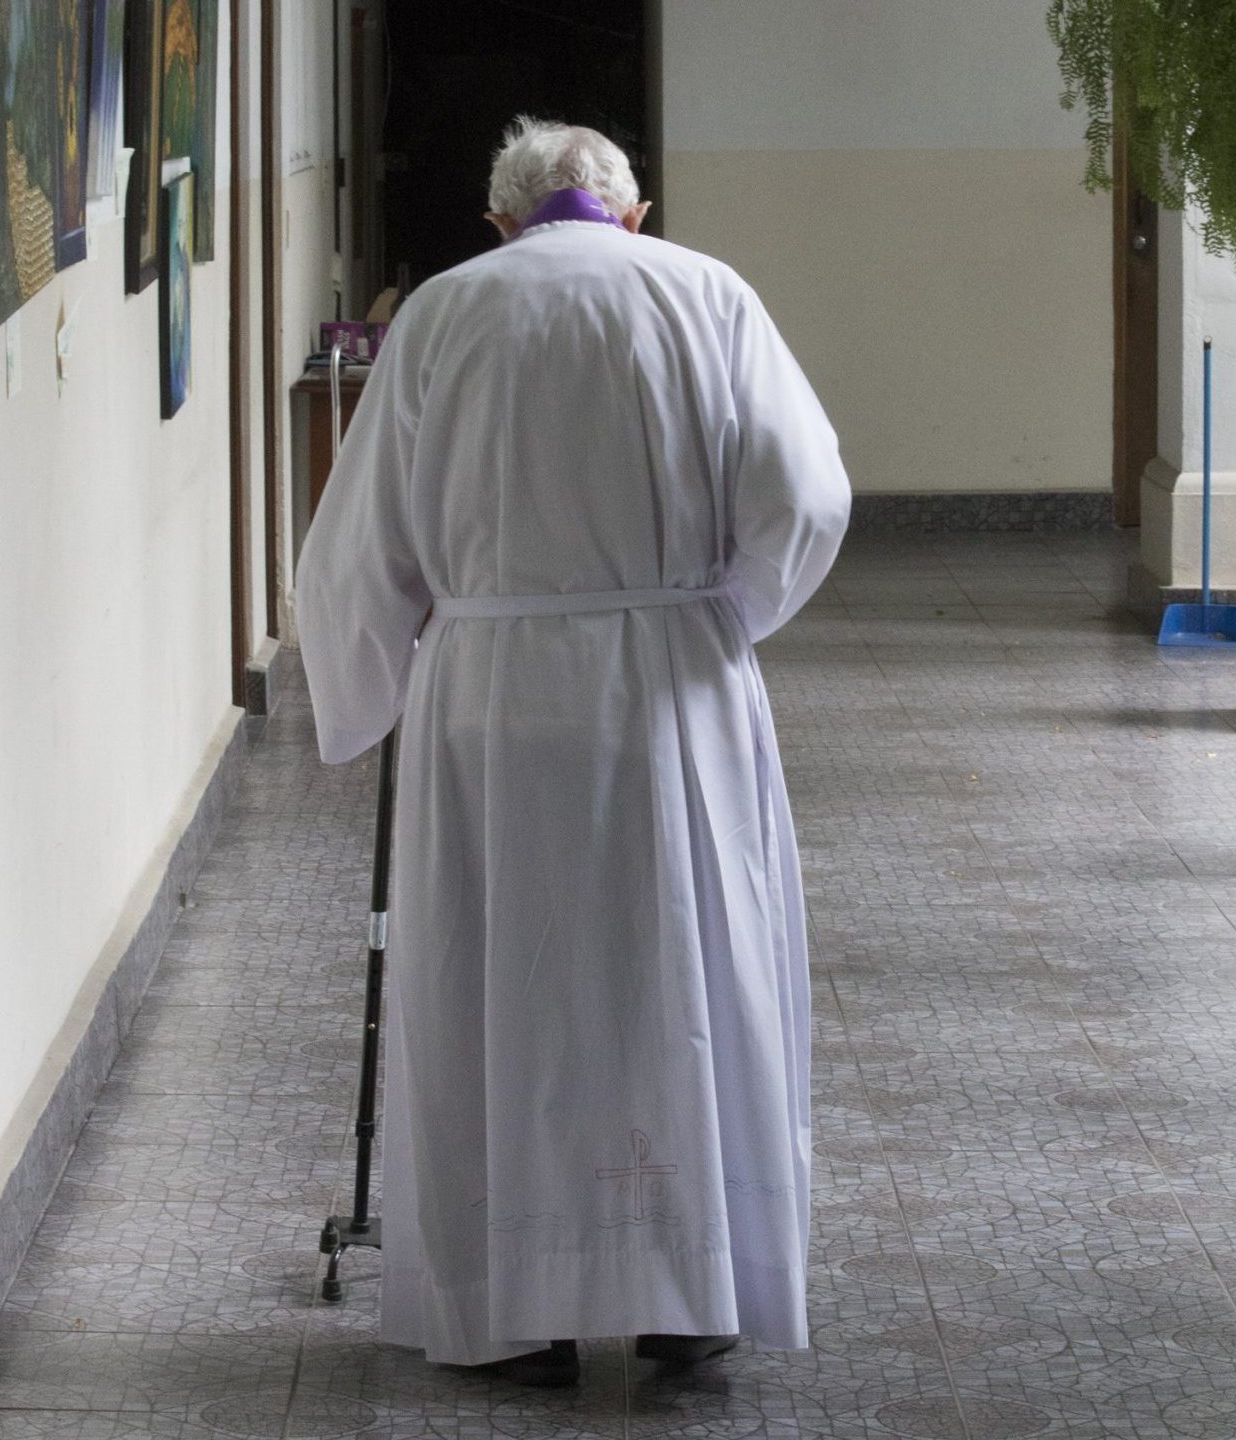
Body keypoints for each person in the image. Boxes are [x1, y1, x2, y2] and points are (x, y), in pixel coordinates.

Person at [294, 118, 851, 1386]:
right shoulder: (706, 293)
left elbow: (360, 534)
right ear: (633, 215)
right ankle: (687, 1292)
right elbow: (807, 496)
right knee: (683, 977)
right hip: (673, 693)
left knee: (508, 987)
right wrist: (720, 617)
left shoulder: (444, 311)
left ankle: (507, 1308)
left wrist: (364, 678)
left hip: (494, 694)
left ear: (502, 224)